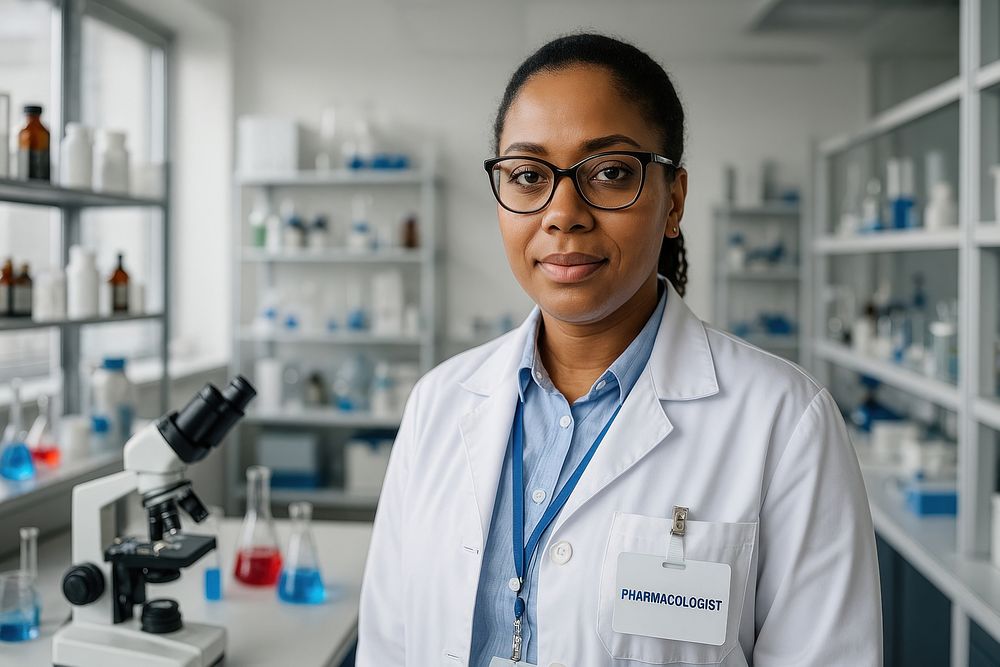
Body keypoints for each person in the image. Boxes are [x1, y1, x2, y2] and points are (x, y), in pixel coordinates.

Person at [358, 33, 881, 666]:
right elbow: (388, 645)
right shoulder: (438, 403)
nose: (562, 213)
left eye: (609, 173)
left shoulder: (785, 421)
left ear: (673, 201)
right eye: (527, 176)